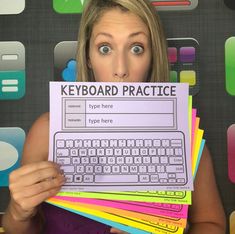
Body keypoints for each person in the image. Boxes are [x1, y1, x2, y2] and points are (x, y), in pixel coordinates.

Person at [2, 0, 226, 233]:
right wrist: (19, 212)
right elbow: (25, 228)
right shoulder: (48, 130)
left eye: (136, 48)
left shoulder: (184, 135)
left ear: (152, 56)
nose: (121, 69)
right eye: (105, 48)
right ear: (88, 56)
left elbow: (211, 224)